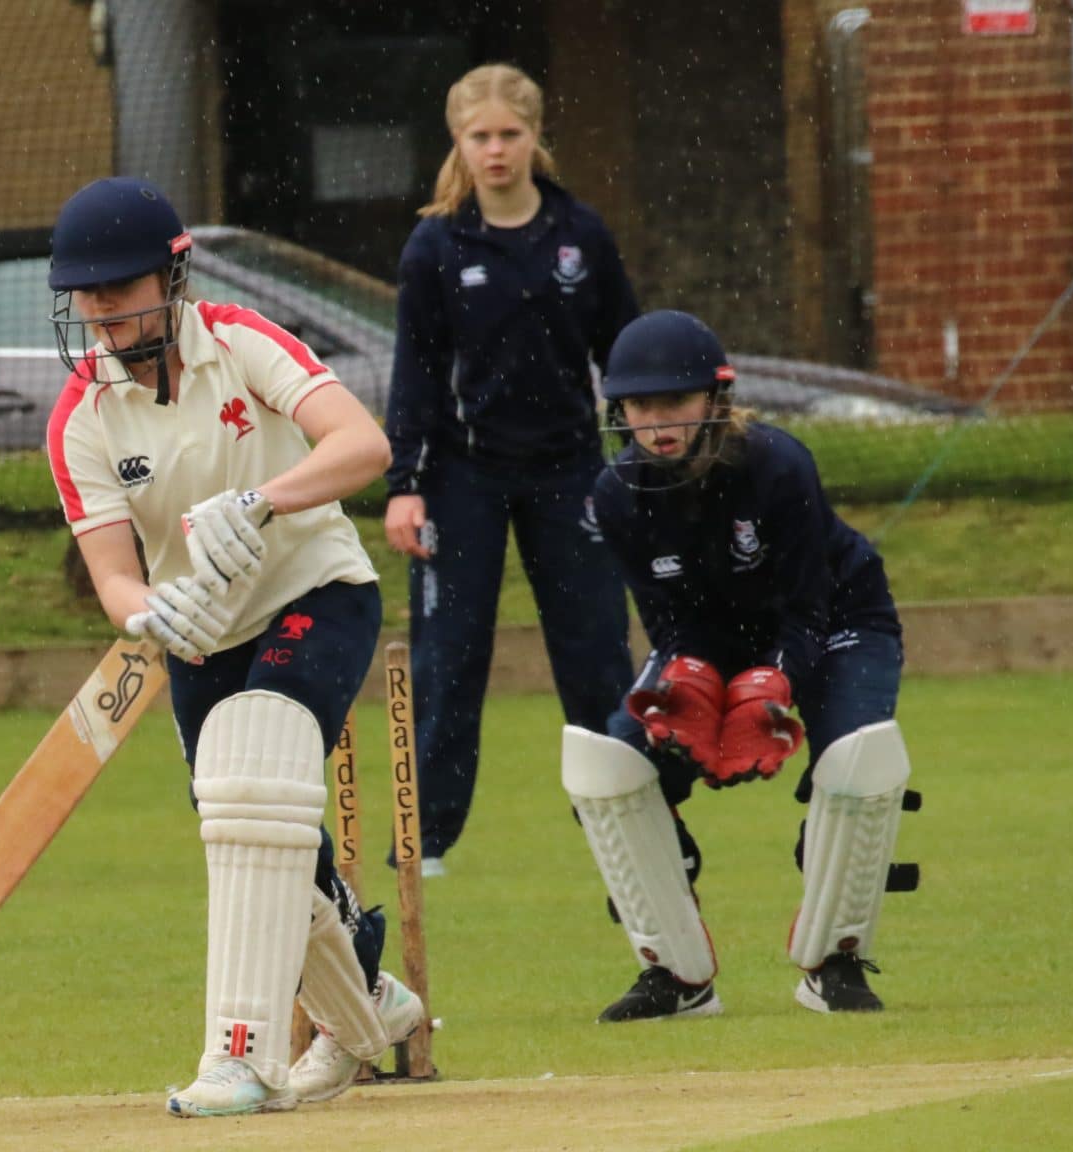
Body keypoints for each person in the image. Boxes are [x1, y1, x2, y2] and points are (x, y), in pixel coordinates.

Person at [44, 176, 427, 1117]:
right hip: (202, 634)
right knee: (251, 831)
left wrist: (261, 498)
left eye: (120, 288)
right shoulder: (80, 417)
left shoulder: (240, 340)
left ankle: (244, 1060)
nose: (100, 311)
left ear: (172, 275)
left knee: (258, 778)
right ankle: (367, 1008)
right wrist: (145, 614)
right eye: (85, 295)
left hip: (316, 589)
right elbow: (113, 573)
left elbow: (363, 444)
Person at [562, 309, 918, 1022]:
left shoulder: (778, 464)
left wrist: (771, 682)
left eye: (675, 401)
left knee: (858, 762)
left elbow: (807, 605)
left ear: (715, 400)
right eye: (639, 405)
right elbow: (664, 620)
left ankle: (835, 963)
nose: (657, 421)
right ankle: (675, 974)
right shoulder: (616, 494)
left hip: (837, 617)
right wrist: (695, 682)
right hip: (712, 632)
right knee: (610, 768)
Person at [385, 63, 639, 875]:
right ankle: (426, 839)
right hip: (465, 479)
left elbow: (624, 354)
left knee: (596, 652)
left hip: (570, 473)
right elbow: (415, 374)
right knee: (450, 657)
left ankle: (626, 817)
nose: (495, 150)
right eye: (479, 136)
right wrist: (404, 486)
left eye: (510, 134)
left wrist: (636, 455)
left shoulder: (581, 235)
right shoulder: (435, 245)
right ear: (459, 143)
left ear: (535, 137)